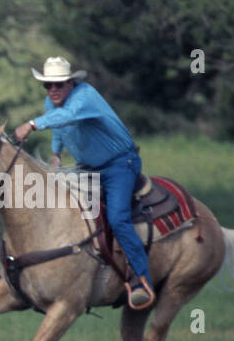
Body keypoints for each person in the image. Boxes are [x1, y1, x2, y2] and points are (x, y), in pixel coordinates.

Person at [13, 57, 154, 309]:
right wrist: (55, 154)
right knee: (55, 205)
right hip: (87, 168)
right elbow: (59, 126)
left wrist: (32, 124)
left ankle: (141, 280)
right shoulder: (52, 103)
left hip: (119, 165)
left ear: (71, 83)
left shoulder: (85, 97)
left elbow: (68, 116)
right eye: (47, 85)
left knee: (118, 218)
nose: (52, 90)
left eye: (58, 84)